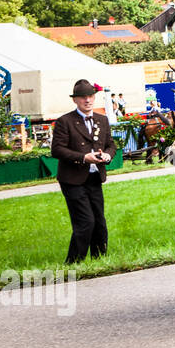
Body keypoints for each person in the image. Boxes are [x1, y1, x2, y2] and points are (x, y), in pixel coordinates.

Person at [51, 79, 117, 264]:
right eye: (82, 97)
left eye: (90, 96)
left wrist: (107, 156)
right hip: (72, 179)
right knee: (85, 222)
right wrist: (83, 157)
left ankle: (99, 261)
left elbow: (111, 145)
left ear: (94, 98)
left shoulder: (102, 120)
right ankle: (74, 263)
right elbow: (57, 150)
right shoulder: (65, 121)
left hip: (95, 177)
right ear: (75, 100)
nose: (87, 100)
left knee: (99, 222)